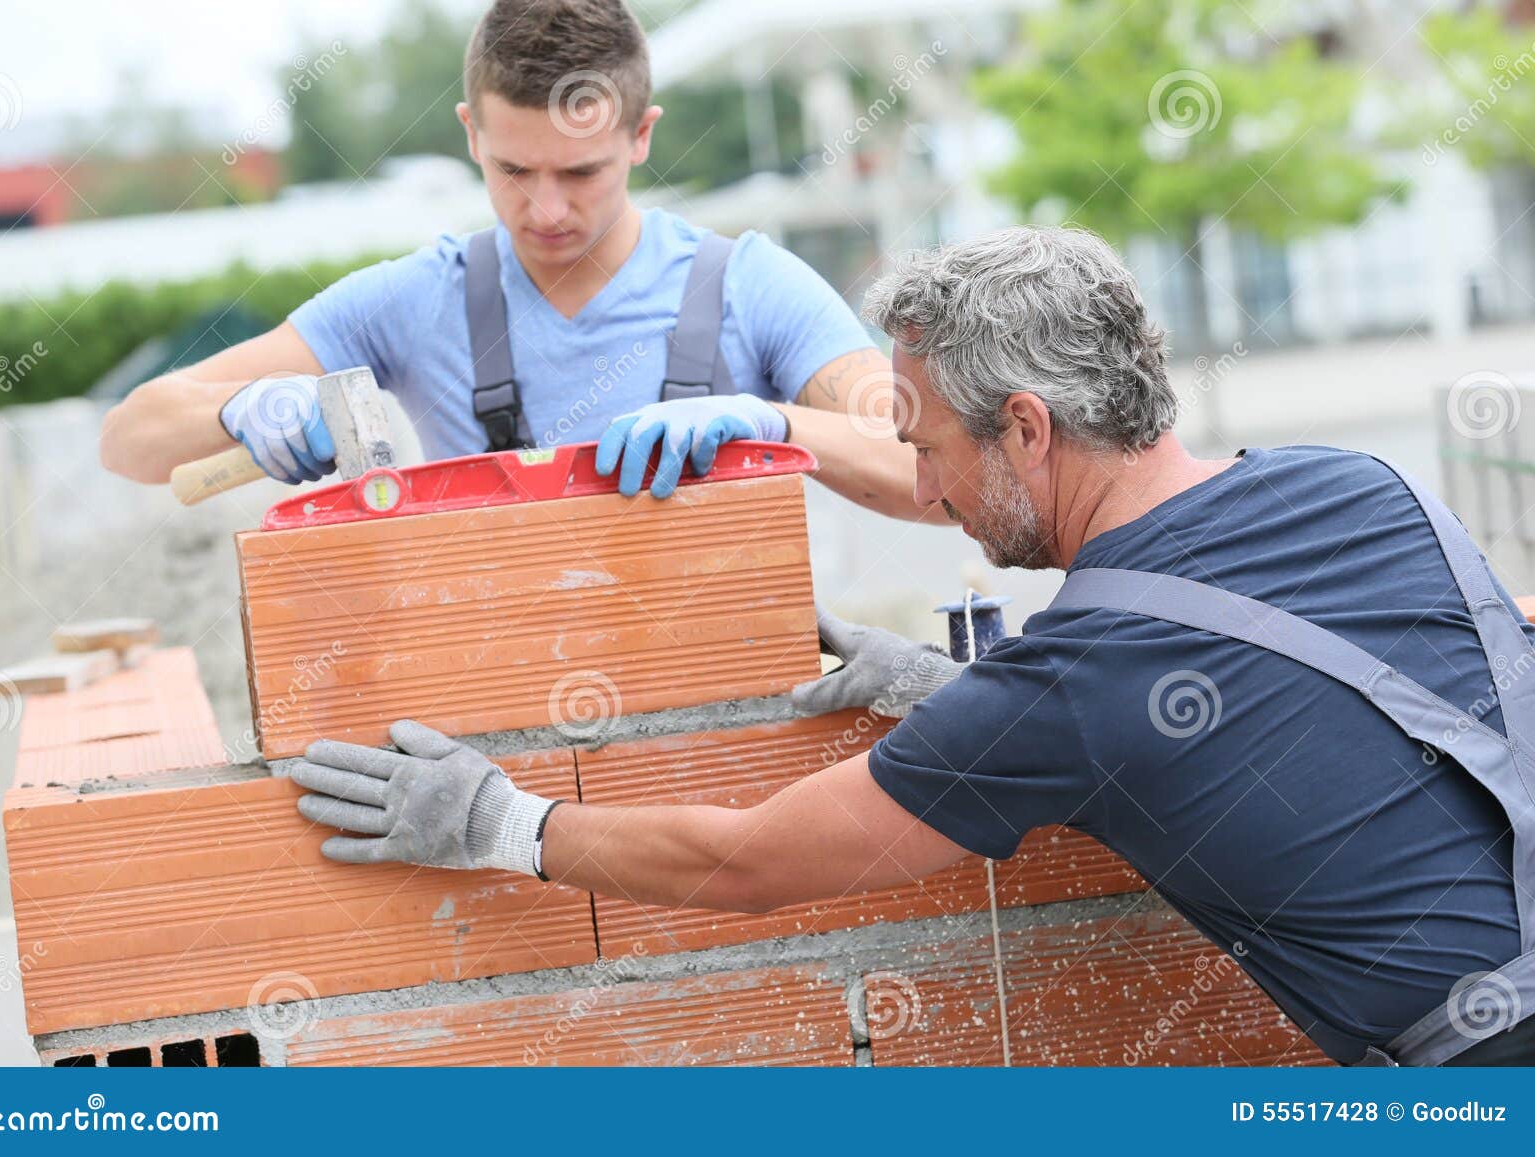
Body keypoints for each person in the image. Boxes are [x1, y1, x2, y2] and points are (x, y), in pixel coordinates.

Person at [287, 225, 1535, 1066]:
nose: (925, 489)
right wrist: (963, 699)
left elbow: (746, 862)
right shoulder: (1357, 485)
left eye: (927, 444)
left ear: (1029, 429)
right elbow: (1342, 693)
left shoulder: (1079, 681)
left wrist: (496, 821)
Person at [99, 0, 919, 517]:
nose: (547, 210)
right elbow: (128, 439)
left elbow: (933, 469)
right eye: (514, 171)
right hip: (501, 736)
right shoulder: (413, 301)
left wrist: (772, 424)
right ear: (470, 134)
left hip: (730, 713)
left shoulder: (753, 287)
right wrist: (238, 411)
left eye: (581, 171)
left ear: (641, 135)